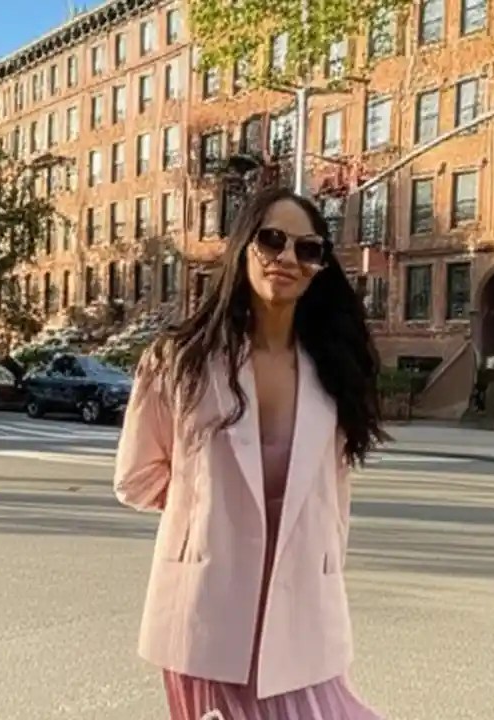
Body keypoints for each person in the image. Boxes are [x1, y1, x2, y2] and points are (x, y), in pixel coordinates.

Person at [114, 187, 388, 719]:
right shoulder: (179, 360)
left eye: (307, 249)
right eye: (271, 239)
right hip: (207, 613)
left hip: (303, 606)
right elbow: (137, 477)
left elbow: (335, 497)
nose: (287, 257)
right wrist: (209, 509)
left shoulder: (336, 369)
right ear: (243, 247)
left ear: (319, 268)